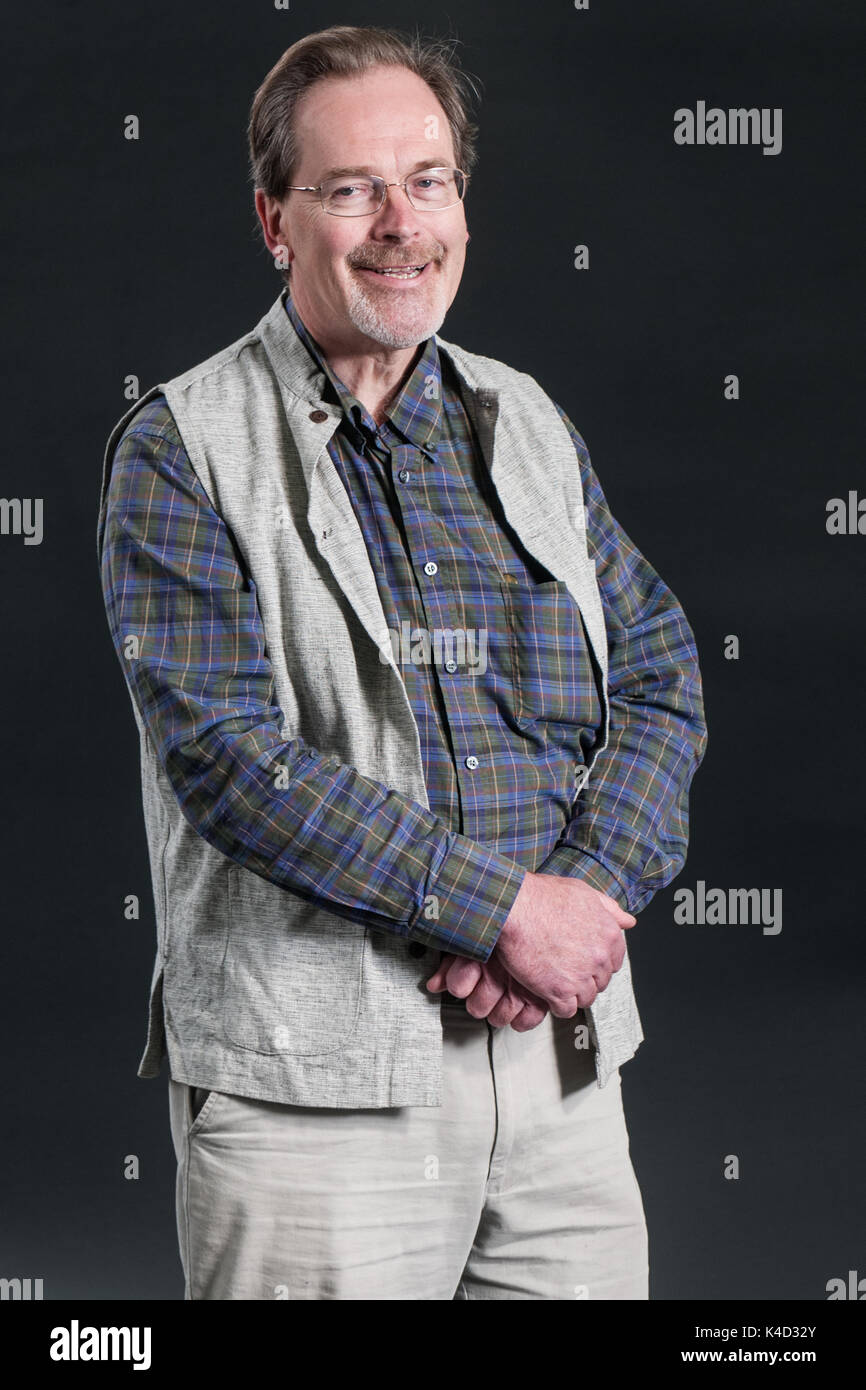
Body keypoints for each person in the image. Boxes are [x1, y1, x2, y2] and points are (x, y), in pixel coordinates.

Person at [97, 24, 707, 1300]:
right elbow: (230, 760)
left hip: (557, 1079)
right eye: (349, 188)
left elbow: (656, 671)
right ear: (275, 221)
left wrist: (577, 899)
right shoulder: (179, 446)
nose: (399, 223)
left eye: (427, 180)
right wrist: (500, 911)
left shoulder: (525, 417)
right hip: (310, 1100)